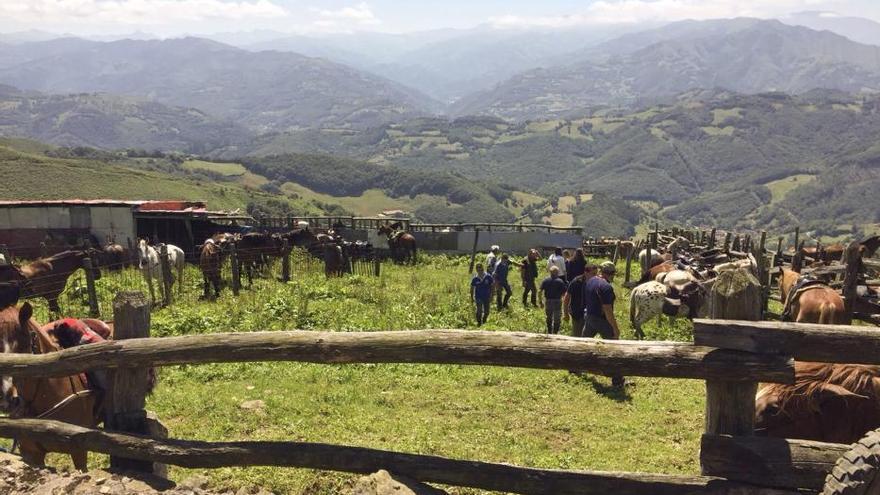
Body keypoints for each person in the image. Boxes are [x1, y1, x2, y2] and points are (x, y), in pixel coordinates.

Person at [583, 261, 625, 388]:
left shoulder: (590, 281)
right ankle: (617, 380)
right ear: (612, 274)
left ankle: (575, 368)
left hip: (589, 316)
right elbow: (607, 310)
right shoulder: (606, 287)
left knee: (583, 344)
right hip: (601, 320)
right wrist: (615, 329)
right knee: (613, 349)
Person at [53, 318, 108, 391]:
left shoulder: (61, 327)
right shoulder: (73, 321)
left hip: (88, 346)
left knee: (105, 385)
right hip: (99, 342)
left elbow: (68, 349)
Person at [563, 262, 597, 337]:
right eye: (593, 273)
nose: (595, 276)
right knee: (577, 336)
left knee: (588, 338)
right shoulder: (576, 282)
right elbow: (567, 297)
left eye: (596, 273)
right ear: (586, 272)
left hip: (591, 315)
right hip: (578, 314)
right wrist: (565, 313)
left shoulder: (596, 283)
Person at [539, 266, 567, 334]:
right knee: (557, 318)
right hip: (557, 301)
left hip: (548, 301)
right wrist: (564, 302)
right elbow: (564, 293)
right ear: (557, 273)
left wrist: (540, 301)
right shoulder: (560, 281)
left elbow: (539, 291)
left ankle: (549, 331)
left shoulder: (545, 280)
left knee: (549, 317)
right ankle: (555, 332)